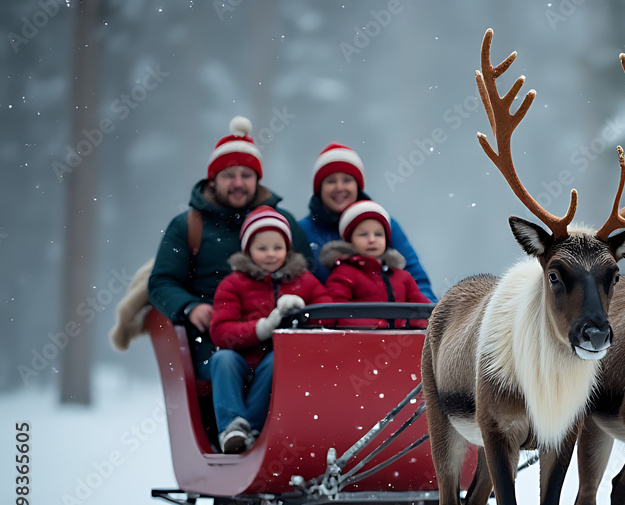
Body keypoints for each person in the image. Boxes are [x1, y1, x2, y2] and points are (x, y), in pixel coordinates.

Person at [147, 116, 313, 381]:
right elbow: (161, 282)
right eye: (228, 175)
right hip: (213, 342)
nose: (238, 183)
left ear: (257, 179)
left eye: (246, 175)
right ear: (213, 180)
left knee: (285, 369)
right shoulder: (189, 226)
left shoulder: (283, 222)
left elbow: (307, 273)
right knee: (228, 365)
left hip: (279, 340)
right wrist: (190, 307)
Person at [208, 206, 332, 453]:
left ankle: (253, 430)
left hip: (279, 360)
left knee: (279, 360)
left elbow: (328, 313)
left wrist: (303, 314)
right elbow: (221, 331)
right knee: (222, 360)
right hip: (243, 359)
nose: (271, 254)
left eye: (277, 247)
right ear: (248, 250)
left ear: (287, 248)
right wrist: (262, 327)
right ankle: (233, 427)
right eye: (262, 248)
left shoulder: (304, 281)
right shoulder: (233, 284)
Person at [298, 142, 437, 300]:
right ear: (319, 188)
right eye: (331, 181)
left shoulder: (384, 224)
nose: (339, 187)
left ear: (357, 185)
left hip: (388, 315)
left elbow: (415, 277)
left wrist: (428, 310)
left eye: (346, 180)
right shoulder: (302, 231)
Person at [321, 201, 431, 329]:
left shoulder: (402, 276)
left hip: (401, 340)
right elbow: (338, 313)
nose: (372, 240)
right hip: (361, 340)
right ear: (350, 241)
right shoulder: (343, 274)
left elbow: (422, 308)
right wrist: (376, 326)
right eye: (363, 234)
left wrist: (419, 324)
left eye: (378, 234)